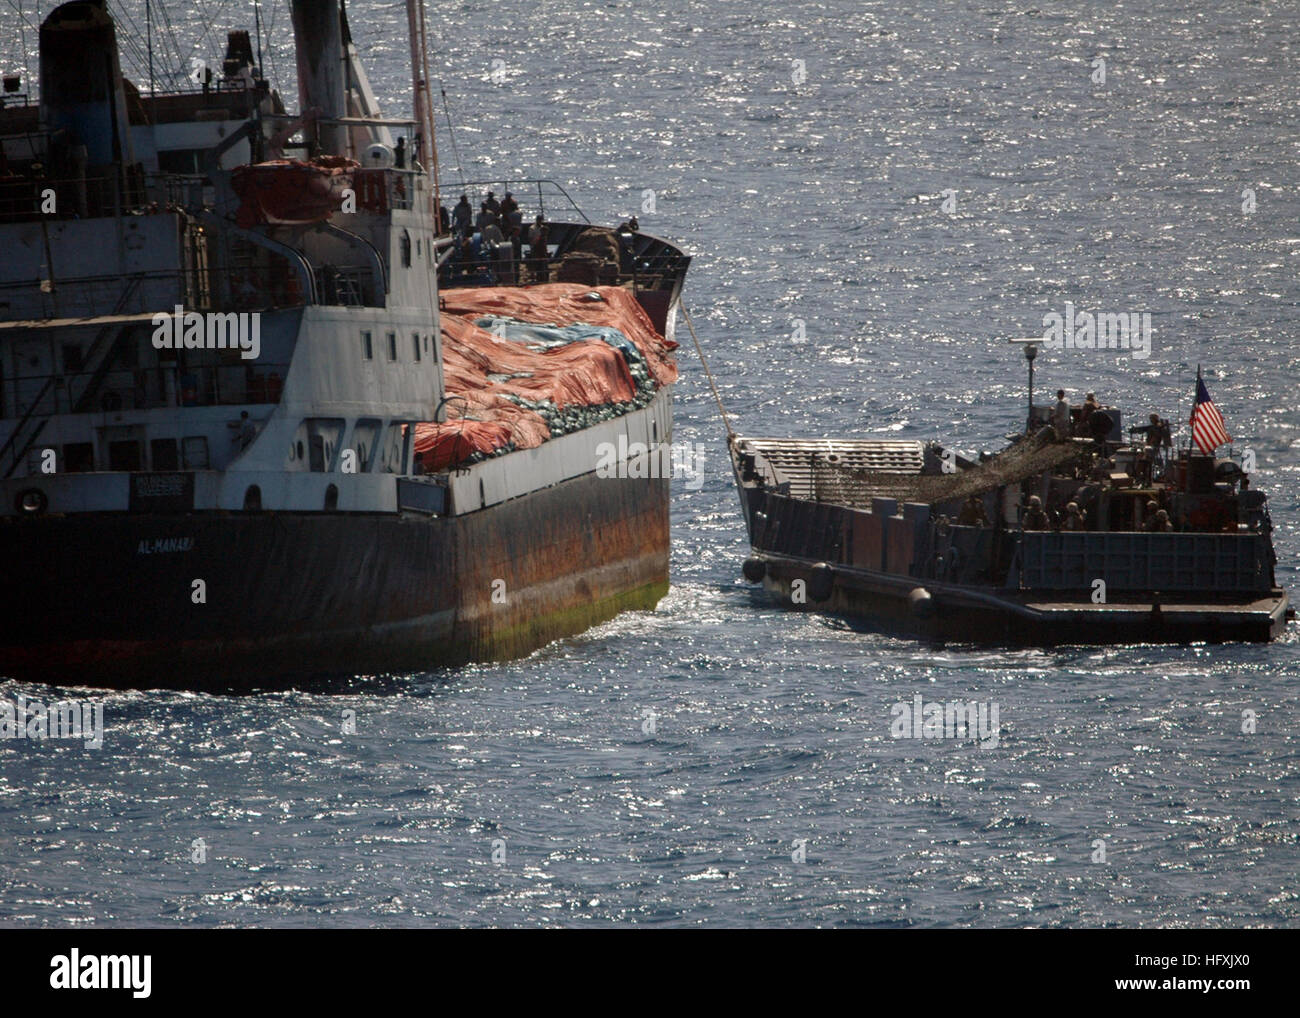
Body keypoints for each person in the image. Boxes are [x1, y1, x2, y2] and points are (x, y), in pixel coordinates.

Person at [528, 214, 550, 282]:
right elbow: (530, 239)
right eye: (539, 220)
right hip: (535, 247)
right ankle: (535, 277)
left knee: (543, 265)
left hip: (542, 248)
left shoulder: (543, 227)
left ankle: (543, 278)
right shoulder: (532, 228)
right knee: (535, 264)